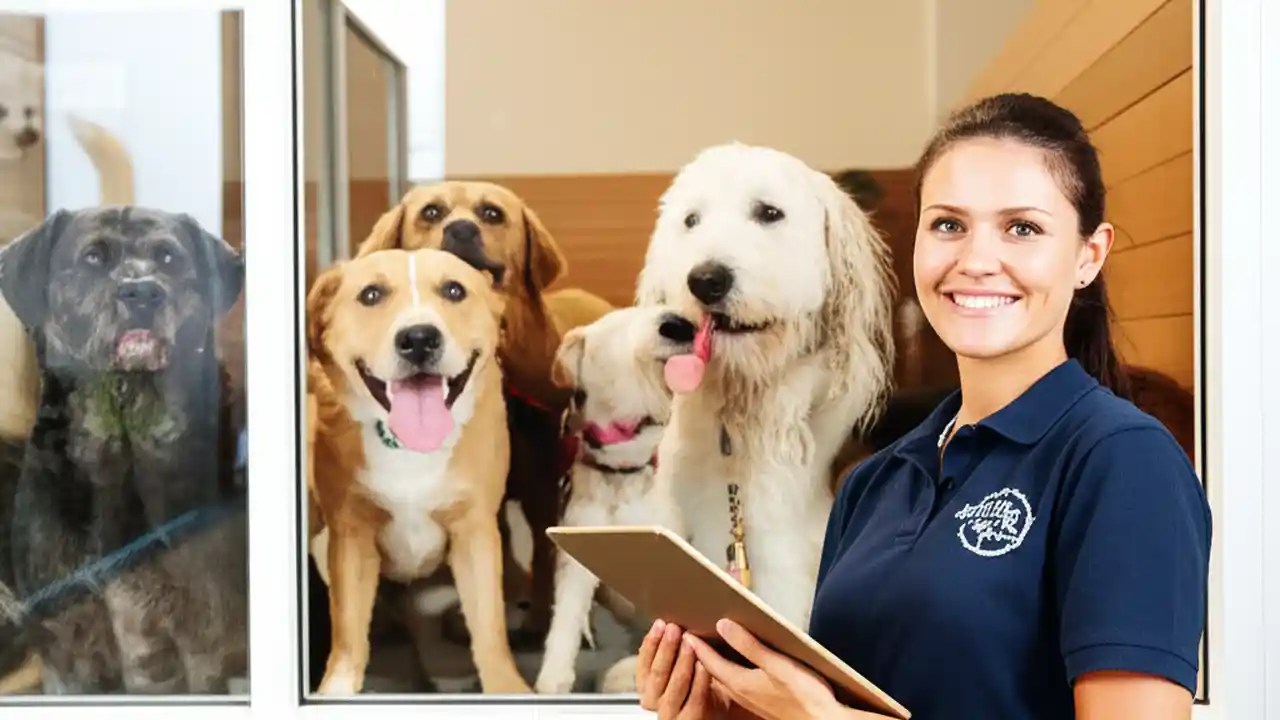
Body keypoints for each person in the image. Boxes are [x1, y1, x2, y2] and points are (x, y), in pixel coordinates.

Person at [633, 93, 1211, 719]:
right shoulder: (875, 483)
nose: (976, 260)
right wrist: (719, 709)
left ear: (1088, 256)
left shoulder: (1123, 461)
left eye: (1022, 228)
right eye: (948, 225)